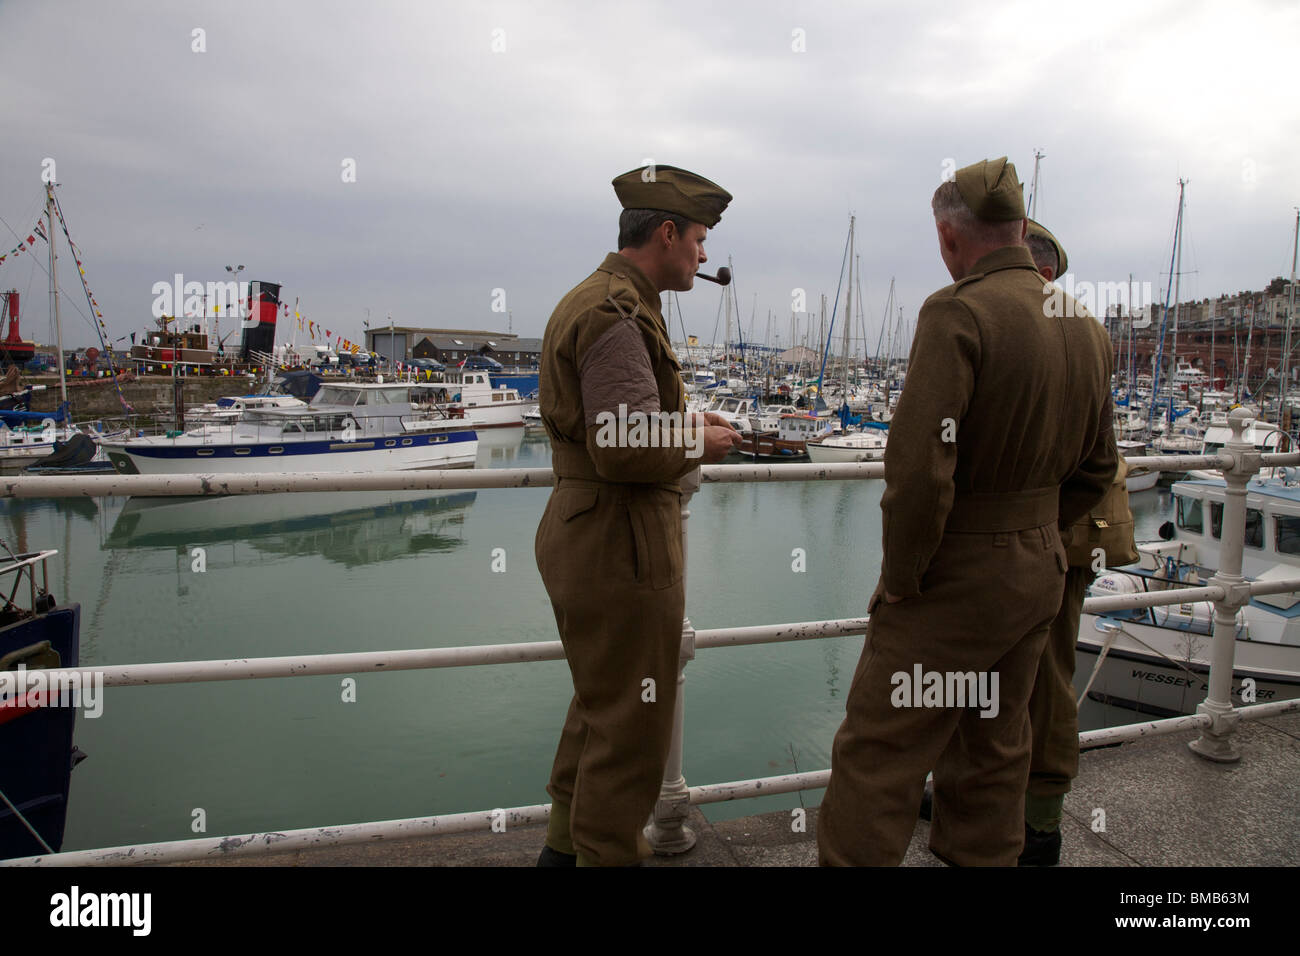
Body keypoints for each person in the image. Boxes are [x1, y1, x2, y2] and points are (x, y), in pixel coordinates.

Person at [816, 157, 1116, 866]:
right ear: (1018, 229)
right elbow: (1099, 469)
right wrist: (1037, 523)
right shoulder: (1084, 326)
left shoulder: (959, 311)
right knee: (995, 748)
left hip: (953, 577)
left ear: (951, 239)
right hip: (1038, 566)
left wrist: (904, 580)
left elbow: (919, 474)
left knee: (879, 755)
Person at [534, 164, 742, 867]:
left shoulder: (607, 299)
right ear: (666, 233)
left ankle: (561, 854)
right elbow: (622, 444)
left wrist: (682, 420)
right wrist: (697, 440)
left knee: (602, 710)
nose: (704, 255)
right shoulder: (617, 310)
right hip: (619, 543)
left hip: (592, 532)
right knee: (630, 737)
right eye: (700, 238)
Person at [1021, 217, 1136, 865]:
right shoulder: (1075, 325)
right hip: (1063, 525)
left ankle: (1040, 824)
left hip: (1064, 532)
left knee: (1046, 677)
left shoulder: (1057, 328)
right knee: (1011, 673)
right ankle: (994, 798)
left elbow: (1085, 458)